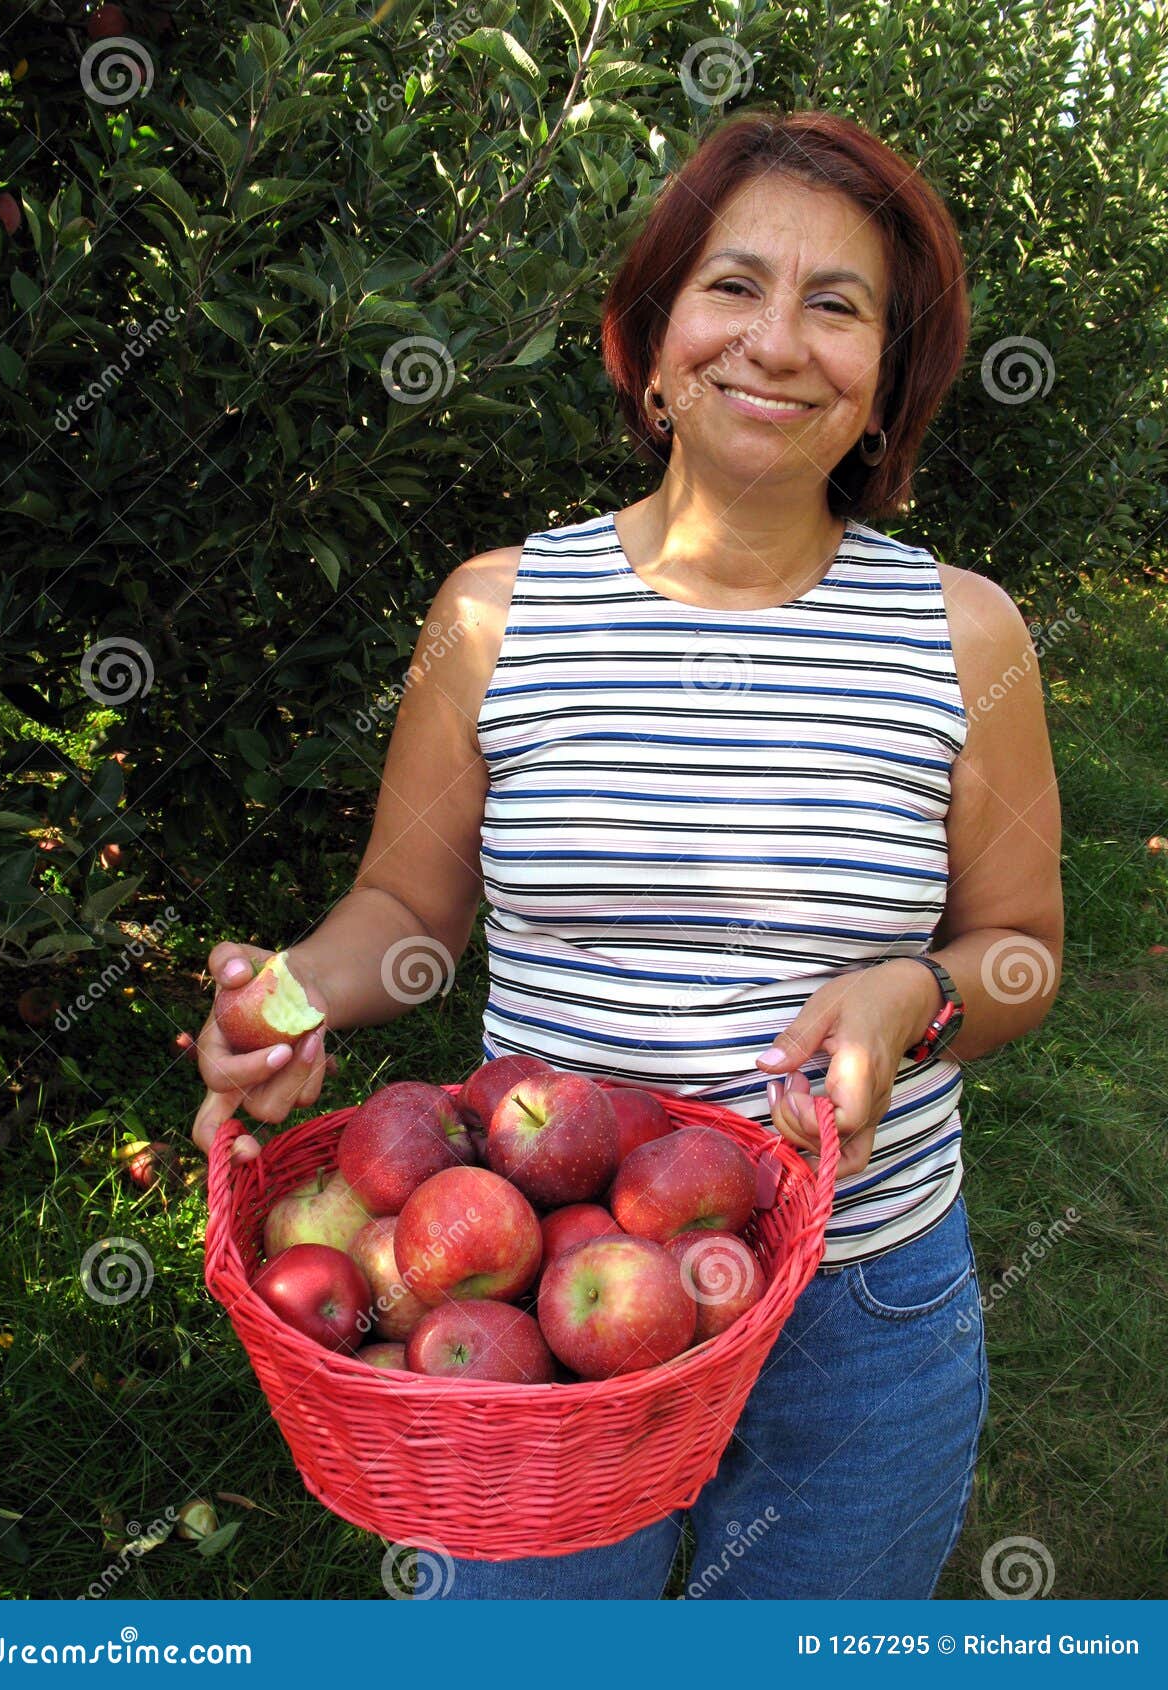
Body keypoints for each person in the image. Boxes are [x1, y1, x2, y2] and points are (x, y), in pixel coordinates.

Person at [191, 106, 1063, 1599]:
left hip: (857, 1310)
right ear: (650, 342)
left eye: (838, 306)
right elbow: (406, 905)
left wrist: (912, 998)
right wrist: (291, 995)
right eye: (731, 287)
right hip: (535, 1287)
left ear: (887, 383)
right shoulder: (496, 615)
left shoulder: (962, 635)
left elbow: (1023, 948)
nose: (776, 343)